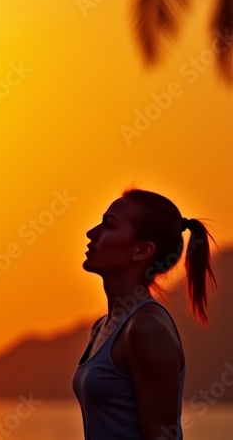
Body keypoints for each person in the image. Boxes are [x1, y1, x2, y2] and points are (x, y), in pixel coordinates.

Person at [73, 188, 216, 440]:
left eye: (109, 226)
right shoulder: (102, 327)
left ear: (142, 251)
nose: (92, 233)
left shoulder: (146, 328)